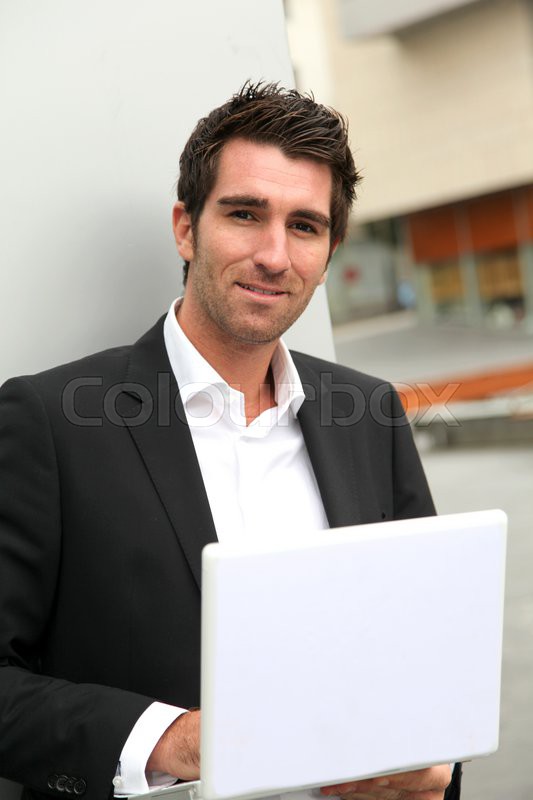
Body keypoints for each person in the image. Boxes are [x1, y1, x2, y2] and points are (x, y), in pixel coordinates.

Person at [0, 83, 461, 800]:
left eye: (304, 226)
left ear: (330, 249)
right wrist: (165, 739)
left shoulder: (368, 412)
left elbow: (424, 660)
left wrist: (435, 768)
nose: (274, 255)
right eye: (245, 214)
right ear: (186, 228)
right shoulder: (48, 419)